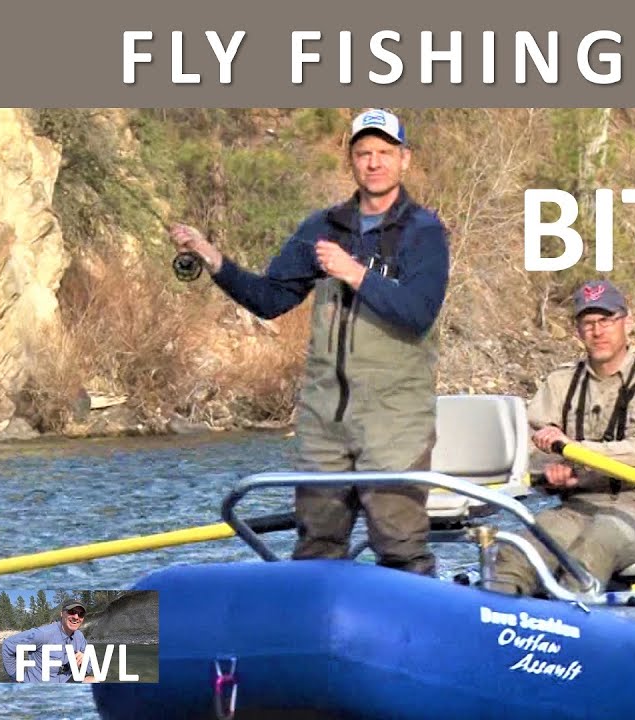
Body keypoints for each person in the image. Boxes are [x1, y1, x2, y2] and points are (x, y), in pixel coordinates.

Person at [169, 108, 451, 575]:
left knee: (399, 544)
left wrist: (354, 273)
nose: (374, 162)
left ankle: (419, 619)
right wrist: (213, 258)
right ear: (351, 161)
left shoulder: (424, 232)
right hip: (323, 419)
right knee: (316, 544)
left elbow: (418, 312)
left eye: (384, 152)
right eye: (363, 153)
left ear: (405, 159)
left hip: (395, 419)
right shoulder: (322, 227)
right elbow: (269, 299)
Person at [487, 280, 635, 596]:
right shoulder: (560, 382)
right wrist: (550, 470)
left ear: (627, 323)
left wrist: (574, 453)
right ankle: (495, 614)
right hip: (577, 507)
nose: (597, 331)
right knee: (516, 552)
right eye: (588, 323)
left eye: (606, 321)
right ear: (577, 330)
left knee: (594, 547)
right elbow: (531, 447)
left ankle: (572, 616)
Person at [1, 599, 96, 683]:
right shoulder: (42, 634)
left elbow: (88, 667)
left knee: (94, 680)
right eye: (72, 611)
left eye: (81, 614)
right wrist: (15, 676)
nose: (76, 617)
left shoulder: (79, 636)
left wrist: (84, 661)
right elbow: (8, 645)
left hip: (66, 682)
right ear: (62, 613)